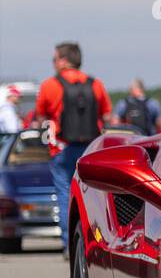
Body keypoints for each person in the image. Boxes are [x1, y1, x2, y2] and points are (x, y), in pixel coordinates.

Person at [32, 42, 111, 252]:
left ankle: (69, 244)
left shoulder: (50, 85)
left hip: (62, 148)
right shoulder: (96, 84)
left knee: (65, 194)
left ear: (64, 61)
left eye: (55, 59)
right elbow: (107, 115)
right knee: (93, 196)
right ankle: (95, 241)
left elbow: (40, 116)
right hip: (91, 149)